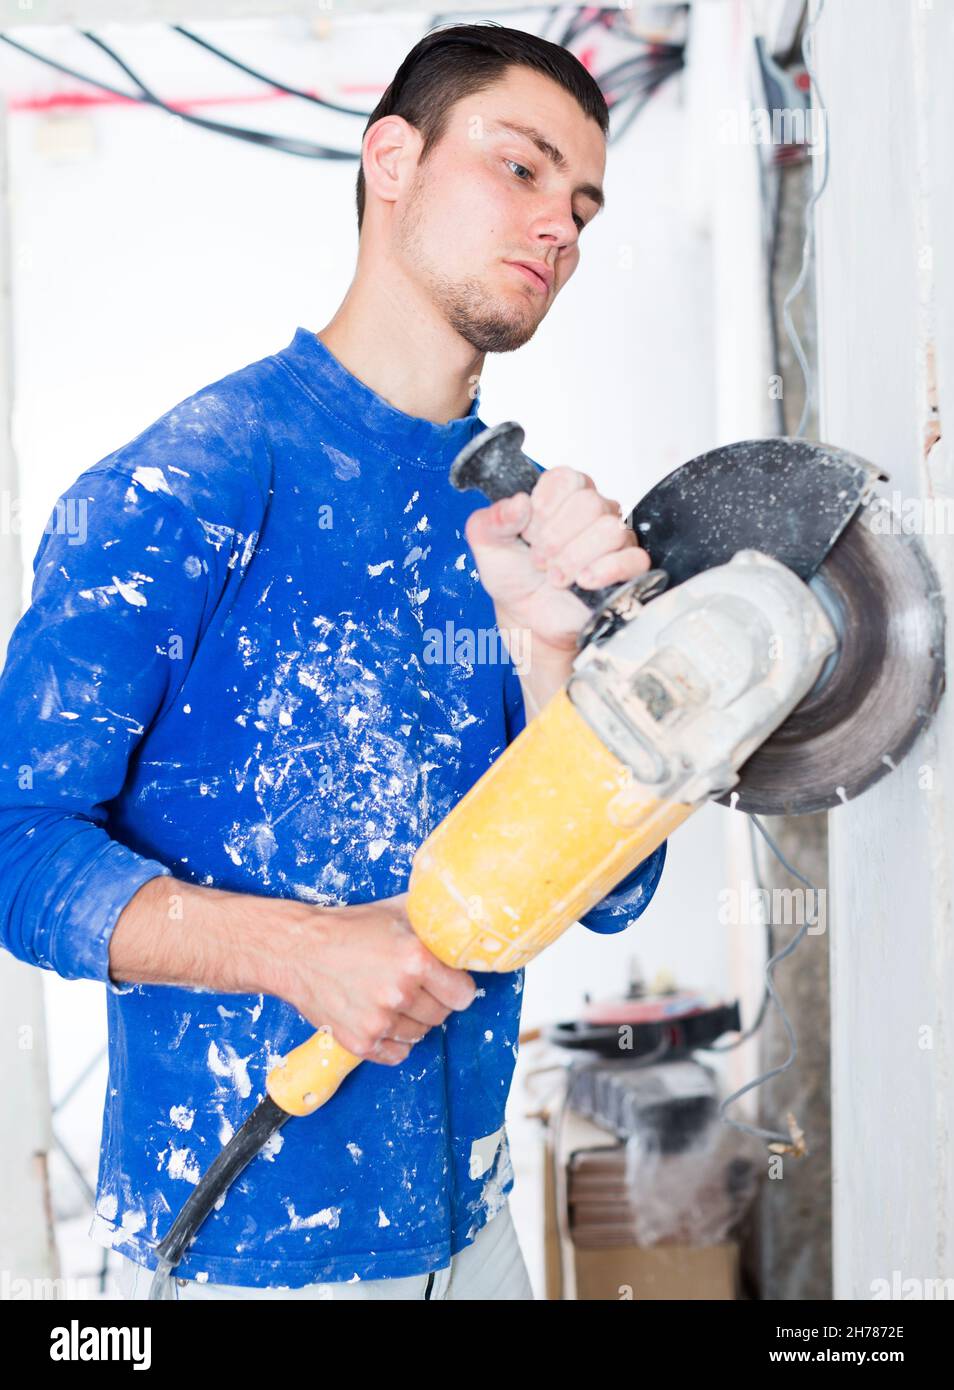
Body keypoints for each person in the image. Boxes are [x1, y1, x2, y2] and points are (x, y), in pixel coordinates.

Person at [0, 21, 666, 1301]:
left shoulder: (522, 528)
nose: (560, 229)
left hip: (474, 1231)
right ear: (394, 159)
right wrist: (296, 952)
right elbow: (18, 845)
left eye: (581, 203)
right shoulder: (183, 482)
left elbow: (615, 894)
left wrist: (553, 652)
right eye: (522, 169)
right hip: (238, 1244)